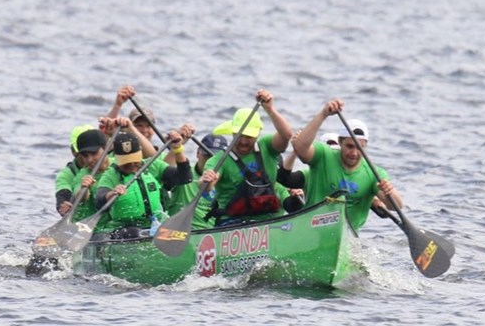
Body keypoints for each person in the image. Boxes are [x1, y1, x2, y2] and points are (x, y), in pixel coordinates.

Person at [291, 98, 403, 230]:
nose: (354, 153)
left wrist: (390, 192)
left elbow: (395, 206)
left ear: (365, 146)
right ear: (340, 142)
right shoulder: (323, 155)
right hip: (312, 228)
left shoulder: (374, 174)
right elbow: (300, 147)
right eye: (350, 146)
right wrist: (323, 114)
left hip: (348, 236)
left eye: (360, 148)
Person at [205, 89, 295, 223]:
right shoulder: (219, 160)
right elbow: (209, 186)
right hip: (232, 221)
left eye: (249, 137)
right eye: (239, 135)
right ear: (232, 132)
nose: (243, 141)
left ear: (258, 133)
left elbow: (286, 135)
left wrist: (270, 109)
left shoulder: (267, 147)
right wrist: (207, 182)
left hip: (269, 220)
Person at [93, 129, 194, 238]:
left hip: (155, 225)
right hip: (124, 230)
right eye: (126, 164)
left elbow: (185, 178)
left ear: (140, 152)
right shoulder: (111, 175)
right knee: (134, 232)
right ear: (117, 159)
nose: (132, 166)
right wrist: (111, 194)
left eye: (135, 161)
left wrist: (178, 150)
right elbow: (99, 200)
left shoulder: (153, 165)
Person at [54, 127, 109, 218]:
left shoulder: (115, 163)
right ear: (73, 151)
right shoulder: (74, 175)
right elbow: (67, 196)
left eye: (93, 152)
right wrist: (63, 204)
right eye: (84, 155)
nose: (90, 160)